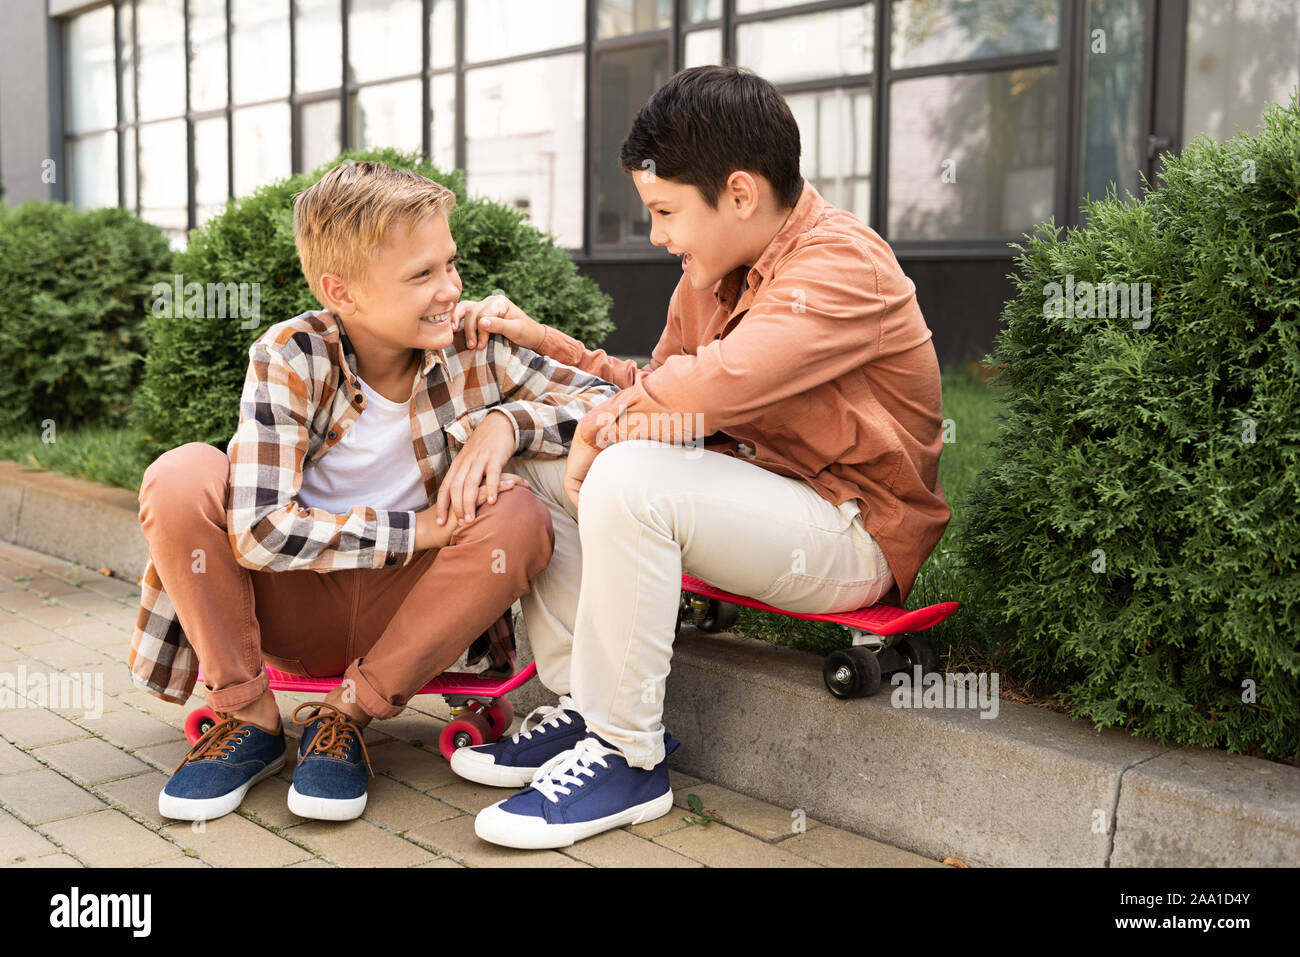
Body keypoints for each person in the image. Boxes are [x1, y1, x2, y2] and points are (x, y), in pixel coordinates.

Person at [448, 66, 952, 850]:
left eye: (665, 211)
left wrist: (603, 432)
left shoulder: (843, 266)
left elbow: (717, 383)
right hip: (756, 495)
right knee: (537, 472)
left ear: (741, 194)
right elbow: (654, 387)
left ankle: (627, 759)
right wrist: (540, 341)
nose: (657, 236)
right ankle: (588, 708)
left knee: (625, 473)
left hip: (851, 529)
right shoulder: (711, 275)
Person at [127, 160, 619, 824]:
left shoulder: (475, 347)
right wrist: (421, 531)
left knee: (519, 514)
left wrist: (509, 422)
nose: (450, 288)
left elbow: (612, 402)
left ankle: (348, 714)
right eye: (422, 275)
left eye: (450, 263)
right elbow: (260, 531)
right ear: (344, 291)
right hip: (289, 606)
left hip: (411, 613)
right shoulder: (290, 355)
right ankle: (247, 717)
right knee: (180, 474)